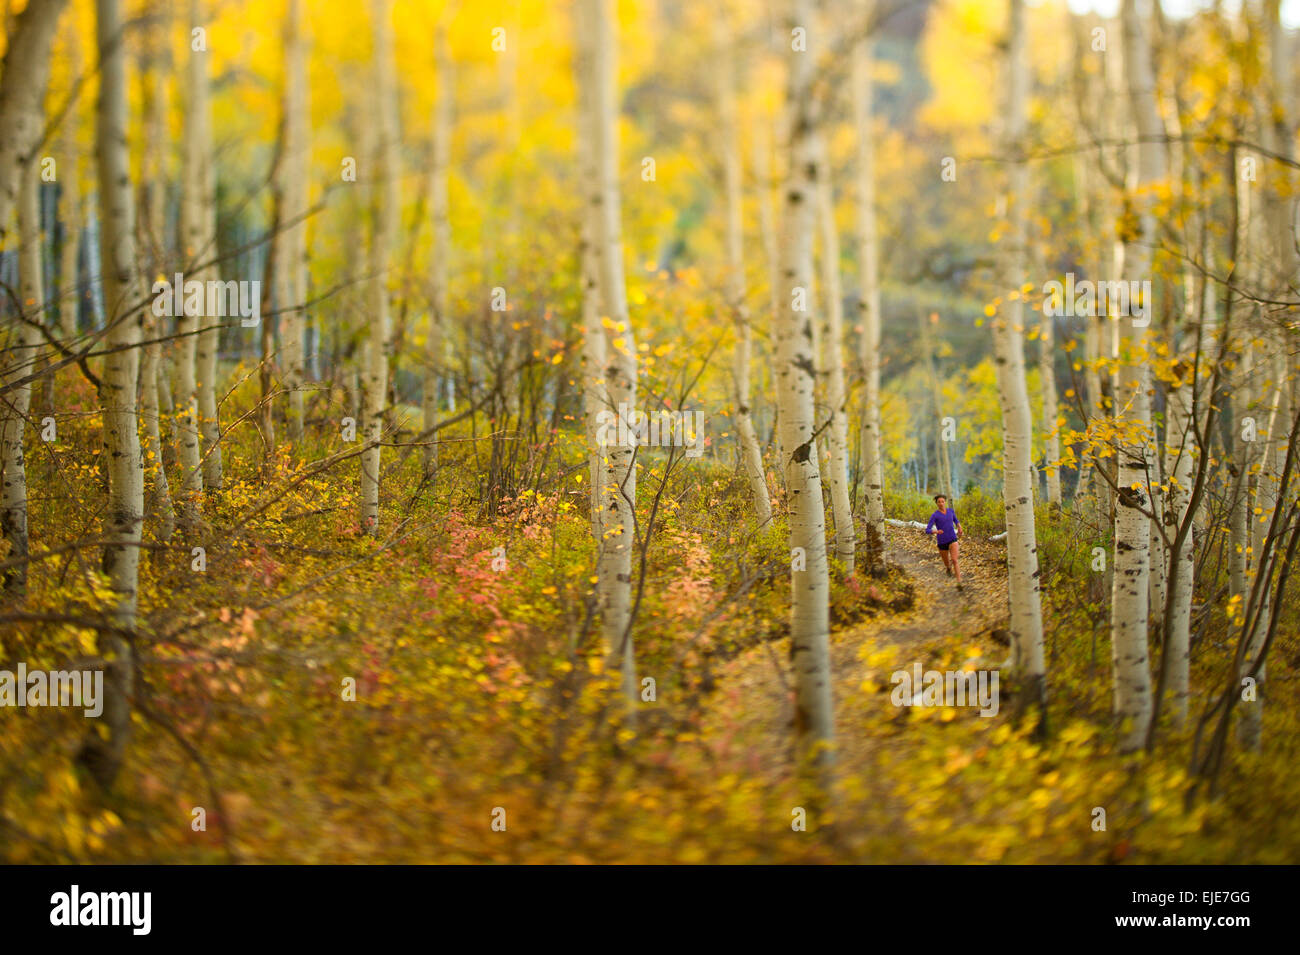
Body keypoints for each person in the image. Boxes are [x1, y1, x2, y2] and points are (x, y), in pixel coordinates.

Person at [924, 494, 963, 589]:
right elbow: (927, 530)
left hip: (952, 538)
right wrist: (936, 531)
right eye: (939, 502)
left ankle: (959, 582)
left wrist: (959, 526)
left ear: (945, 502)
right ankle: (948, 568)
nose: (941, 503)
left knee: (954, 560)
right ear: (936, 503)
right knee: (947, 563)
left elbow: (956, 520)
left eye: (942, 501)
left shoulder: (951, 511)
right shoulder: (935, 515)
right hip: (942, 541)